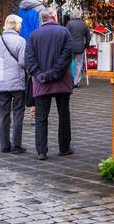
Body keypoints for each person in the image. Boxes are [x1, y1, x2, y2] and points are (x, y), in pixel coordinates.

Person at [24, 9, 76, 160]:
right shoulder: (64, 32)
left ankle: (41, 151)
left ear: (42, 19)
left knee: (41, 117)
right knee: (64, 115)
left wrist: (40, 75)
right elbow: (67, 56)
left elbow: (29, 60)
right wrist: (54, 73)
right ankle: (64, 147)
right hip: (62, 81)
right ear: (54, 17)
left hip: (41, 83)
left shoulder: (33, 35)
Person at [0, 14, 27, 154]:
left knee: (4, 114)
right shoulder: (21, 41)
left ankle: (4, 145)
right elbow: (23, 62)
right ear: (15, 25)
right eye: (19, 24)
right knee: (18, 113)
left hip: (0, 82)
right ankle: (17, 145)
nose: (21, 26)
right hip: (16, 83)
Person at [65, 5, 92, 87]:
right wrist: (86, 45)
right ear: (79, 15)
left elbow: (66, 35)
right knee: (78, 65)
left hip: (70, 47)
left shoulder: (69, 23)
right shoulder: (84, 24)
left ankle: (69, 81)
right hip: (80, 47)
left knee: (68, 64)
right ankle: (76, 82)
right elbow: (88, 36)